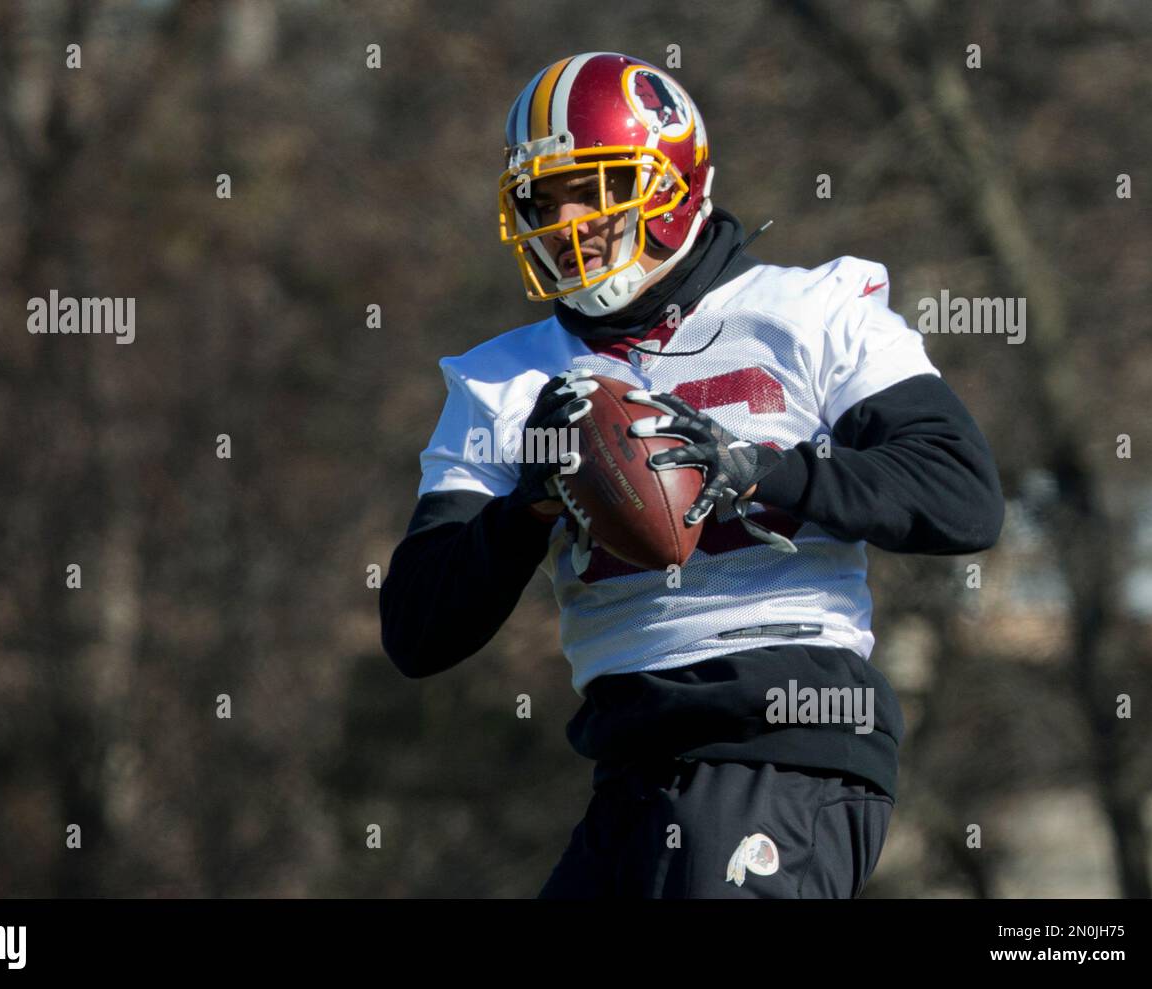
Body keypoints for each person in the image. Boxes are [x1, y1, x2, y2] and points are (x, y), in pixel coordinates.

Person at [379, 52, 1003, 898]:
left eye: (588, 189)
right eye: (541, 199)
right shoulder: (505, 381)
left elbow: (960, 493)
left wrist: (762, 471)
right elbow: (418, 629)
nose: (563, 223)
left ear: (668, 182)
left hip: (786, 733)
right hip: (629, 759)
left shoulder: (814, 311)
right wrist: (528, 501)